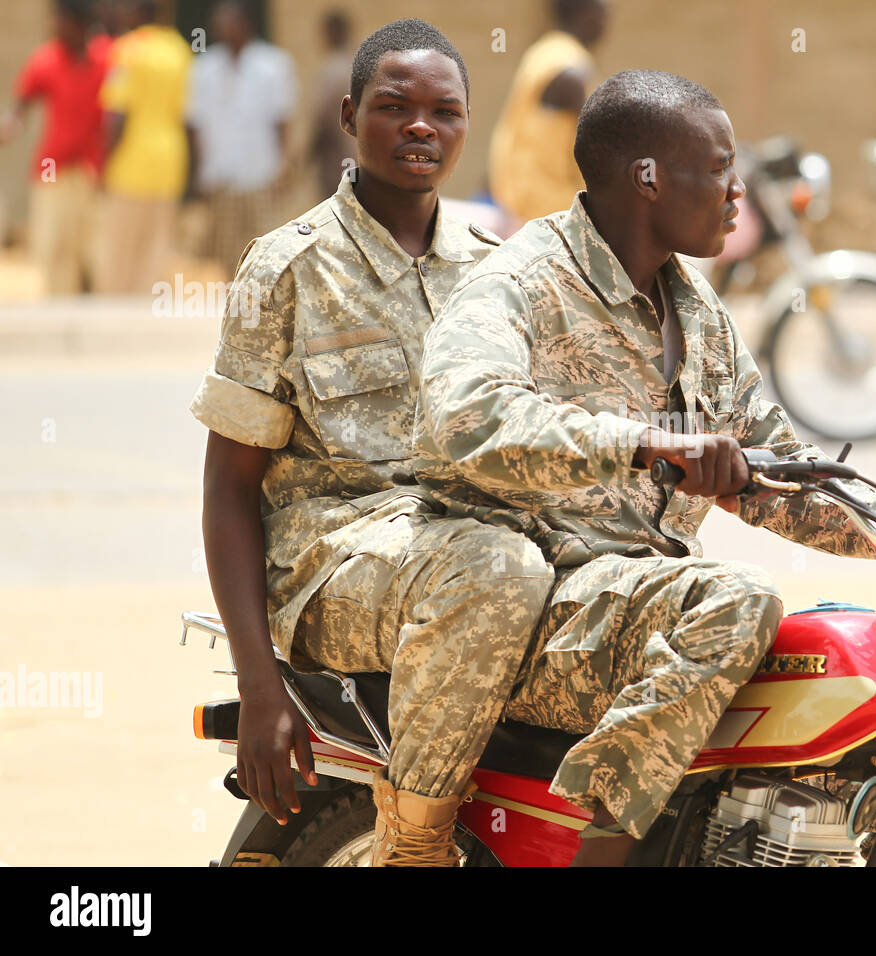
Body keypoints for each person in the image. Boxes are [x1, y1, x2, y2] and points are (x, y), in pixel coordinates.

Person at [416, 69, 876, 866]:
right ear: (647, 177)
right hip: (531, 610)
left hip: (638, 608)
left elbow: (780, 478)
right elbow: (463, 415)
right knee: (740, 599)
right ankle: (606, 843)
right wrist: (642, 444)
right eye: (719, 168)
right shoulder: (520, 281)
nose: (736, 193)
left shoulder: (695, 309)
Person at [188, 19, 554, 867]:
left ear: (466, 126)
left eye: (444, 111)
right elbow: (229, 488)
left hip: (468, 542)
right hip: (332, 567)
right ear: (351, 116)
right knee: (502, 569)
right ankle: (411, 851)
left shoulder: (498, 270)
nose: (421, 127)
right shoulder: (286, 267)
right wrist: (259, 683)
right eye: (395, 107)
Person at [0, 0, 110, 295]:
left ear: (80, 24)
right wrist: (9, 127)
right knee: (52, 245)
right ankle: (59, 306)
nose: (55, 28)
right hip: (53, 167)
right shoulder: (46, 59)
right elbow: (21, 106)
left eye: (62, 21)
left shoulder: (105, 58)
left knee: (90, 248)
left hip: (91, 168)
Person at [184, 0, 297, 275]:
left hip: (260, 172)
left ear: (246, 24)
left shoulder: (274, 64)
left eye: (229, 22)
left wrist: (284, 165)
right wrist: (199, 171)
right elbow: (196, 123)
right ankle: (232, 302)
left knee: (263, 241)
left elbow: (281, 120)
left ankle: (261, 305)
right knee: (225, 247)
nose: (223, 29)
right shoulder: (204, 67)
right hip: (221, 172)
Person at [96, 0, 192, 295]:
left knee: (120, 246)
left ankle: (114, 307)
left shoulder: (127, 49)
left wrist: (104, 161)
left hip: (131, 160)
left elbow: (118, 114)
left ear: (138, 11)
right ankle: (146, 307)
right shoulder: (180, 51)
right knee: (156, 245)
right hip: (170, 158)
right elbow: (187, 113)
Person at [487, 0, 608, 225]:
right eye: (603, 10)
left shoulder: (543, 53)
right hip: (552, 209)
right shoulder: (570, 68)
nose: (606, 20)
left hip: (523, 201)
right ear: (582, 10)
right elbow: (598, 144)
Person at [310, 9, 356, 201]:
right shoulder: (360, 64)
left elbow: (323, 118)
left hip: (338, 157)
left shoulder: (334, 68)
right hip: (361, 158)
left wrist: (307, 155)